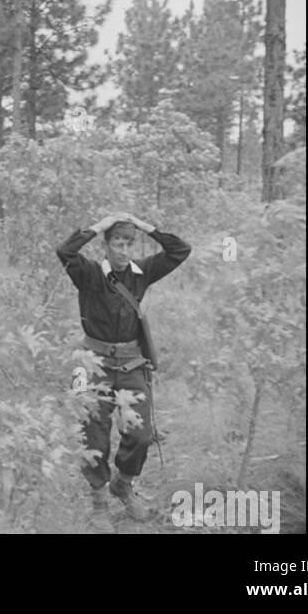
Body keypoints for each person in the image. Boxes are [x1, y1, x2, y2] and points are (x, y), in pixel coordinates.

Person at [56, 212, 191, 523]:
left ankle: (123, 484)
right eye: (117, 243)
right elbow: (65, 251)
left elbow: (180, 251)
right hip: (93, 364)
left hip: (131, 364)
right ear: (107, 245)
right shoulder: (88, 272)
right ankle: (99, 502)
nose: (123, 250)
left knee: (142, 434)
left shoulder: (142, 272)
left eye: (129, 244)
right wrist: (98, 226)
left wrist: (146, 227)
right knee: (94, 435)